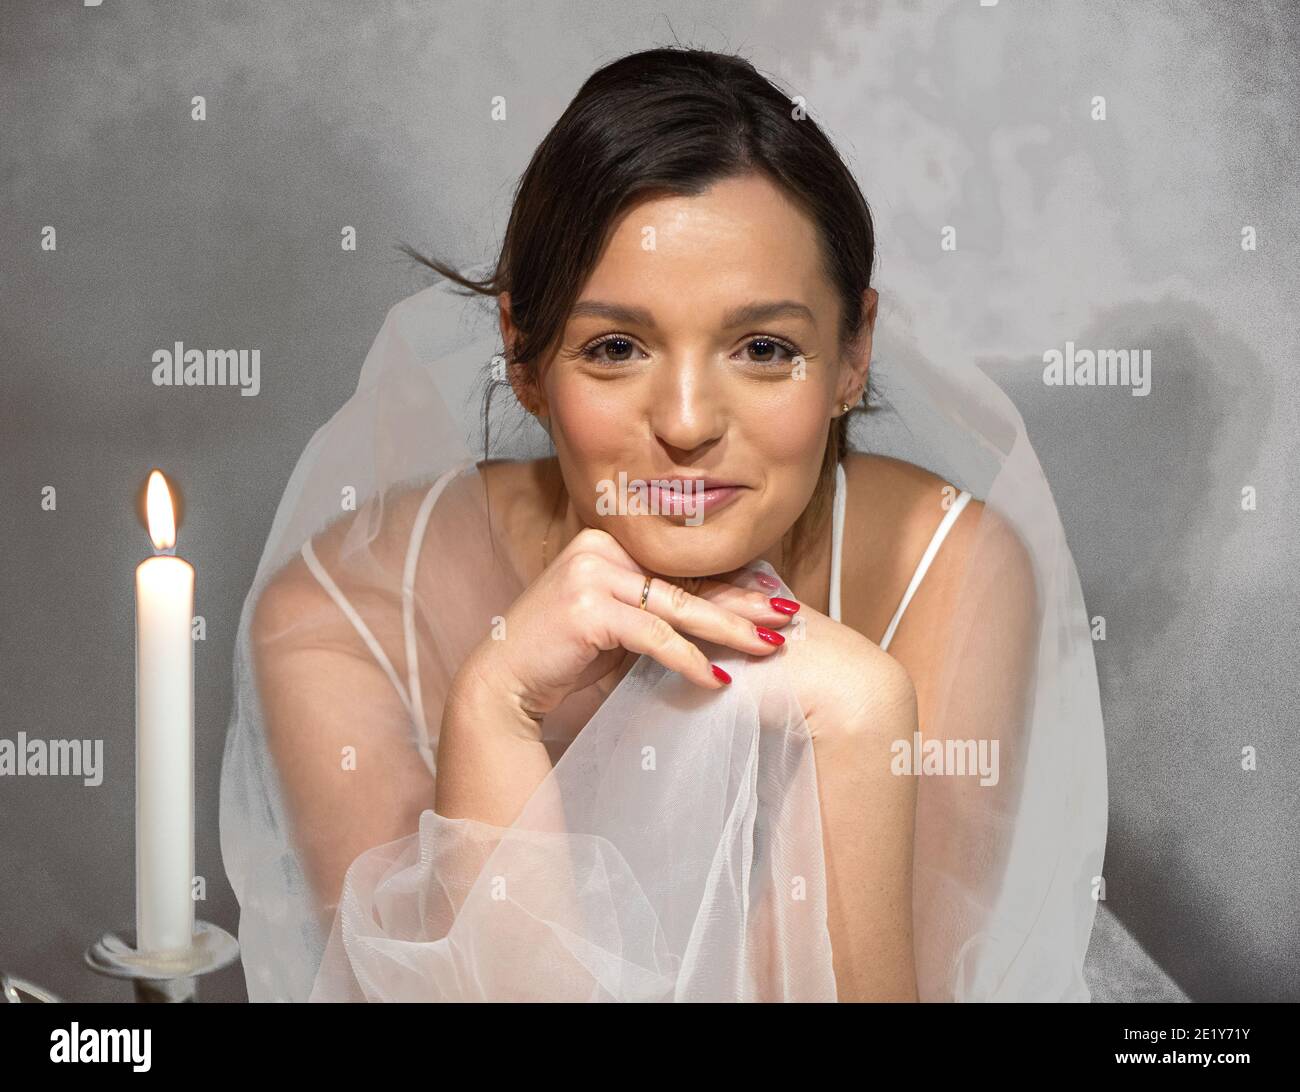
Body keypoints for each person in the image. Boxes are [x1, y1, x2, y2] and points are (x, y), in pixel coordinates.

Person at [219, 46, 1107, 1002]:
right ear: (523, 355)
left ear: (853, 357)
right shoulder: (338, 620)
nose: (686, 424)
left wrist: (859, 716)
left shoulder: (947, 567)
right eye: (615, 348)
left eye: (764, 348)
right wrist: (493, 710)